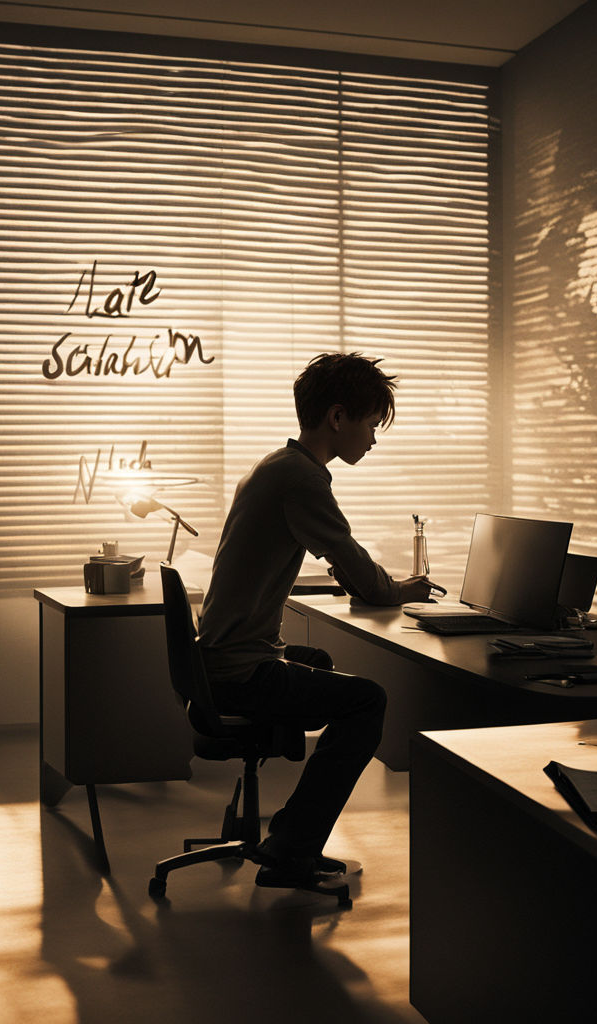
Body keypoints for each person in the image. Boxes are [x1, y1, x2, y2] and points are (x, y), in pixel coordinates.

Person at [197, 351, 433, 889]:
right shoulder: (302, 480)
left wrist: (373, 582)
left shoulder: (274, 466)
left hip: (217, 659)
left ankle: (287, 837)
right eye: (371, 425)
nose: (372, 440)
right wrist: (403, 588)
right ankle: (291, 852)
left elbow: (336, 558)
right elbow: (365, 580)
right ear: (338, 418)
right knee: (367, 699)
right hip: (239, 670)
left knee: (320, 664)